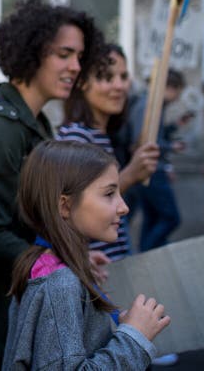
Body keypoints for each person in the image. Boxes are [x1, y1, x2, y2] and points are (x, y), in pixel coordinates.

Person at [0, 0, 104, 370]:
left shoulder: (35, 124)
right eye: (64, 54)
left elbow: (25, 225)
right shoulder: (0, 132)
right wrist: (51, 264)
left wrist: (69, 258)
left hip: (9, 299)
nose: (75, 67)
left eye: (79, 56)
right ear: (32, 52)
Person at [3, 140, 170, 370]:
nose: (124, 207)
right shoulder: (61, 285)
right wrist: (133, 338)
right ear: (65, 206)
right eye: (109, 193)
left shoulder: (46, 263)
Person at [57, 44, 159, 260]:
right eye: (106, 77)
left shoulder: (100, 135)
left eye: (123, 77)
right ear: (82, 82)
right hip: (95, 271)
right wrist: (130, 175)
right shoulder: (77, 138)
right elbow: (70, 208)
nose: (119, 86)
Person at [126, 69, 188, 253]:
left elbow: (154, 136)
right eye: (178, 91)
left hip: (151, 169)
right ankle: (149, 249)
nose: (178, 97)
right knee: (171, 218)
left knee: (152, 217)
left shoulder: (153, 105)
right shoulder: (148, 106)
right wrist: (171, 147)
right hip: (151, 171)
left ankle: (147, 255)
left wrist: (175, 127)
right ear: (168, 87)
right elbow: (143, 142)